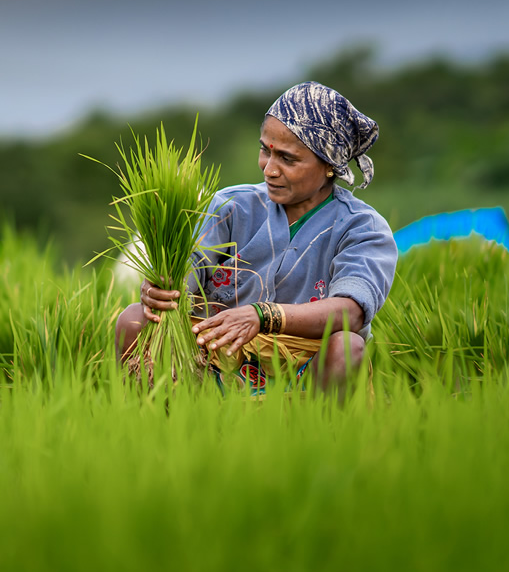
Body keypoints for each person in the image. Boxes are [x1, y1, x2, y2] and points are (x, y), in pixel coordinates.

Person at [115, 81, 397, 397]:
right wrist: (167, 287)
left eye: (288, 159)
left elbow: (350, 311)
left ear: (330, 166)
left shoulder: (363, 228)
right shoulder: (232, 206)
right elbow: (192, 263)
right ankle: (154, 429)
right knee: (134, 320)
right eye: (265, 150)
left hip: (304, 365)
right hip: (217, 356)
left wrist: (264, 316)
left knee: (346, 346)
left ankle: (314, 433)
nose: (269, 169)